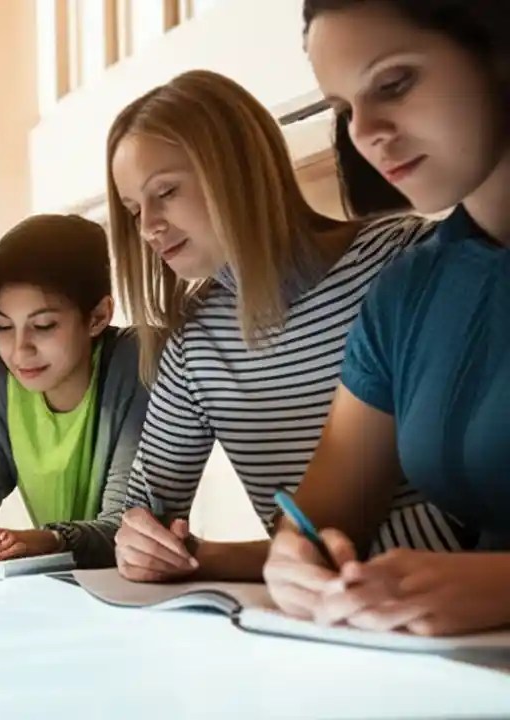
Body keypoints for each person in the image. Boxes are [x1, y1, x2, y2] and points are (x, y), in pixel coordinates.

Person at [106, 69, 463, 584]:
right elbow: (145, 513)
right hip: (317, 610)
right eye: (133, 210)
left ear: (238, 169)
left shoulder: (406, 261)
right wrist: (139, 543)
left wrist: (217, 558)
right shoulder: (194, 343)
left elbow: (457, 526)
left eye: (166, 191)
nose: (148, 227)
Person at [265, 0, 510, 637]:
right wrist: (295, 557)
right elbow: (324, 514)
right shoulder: (406, 291)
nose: (365, 131)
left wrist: (498, 586)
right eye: (344, 109)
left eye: (394, 84)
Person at [0, 214, 148, 568]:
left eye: (44, 325)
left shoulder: (139, 362)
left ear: (98, 316)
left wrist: (48, 541)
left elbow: (133, 528)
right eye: (4, 327)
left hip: (141, 586)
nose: (20, 350)